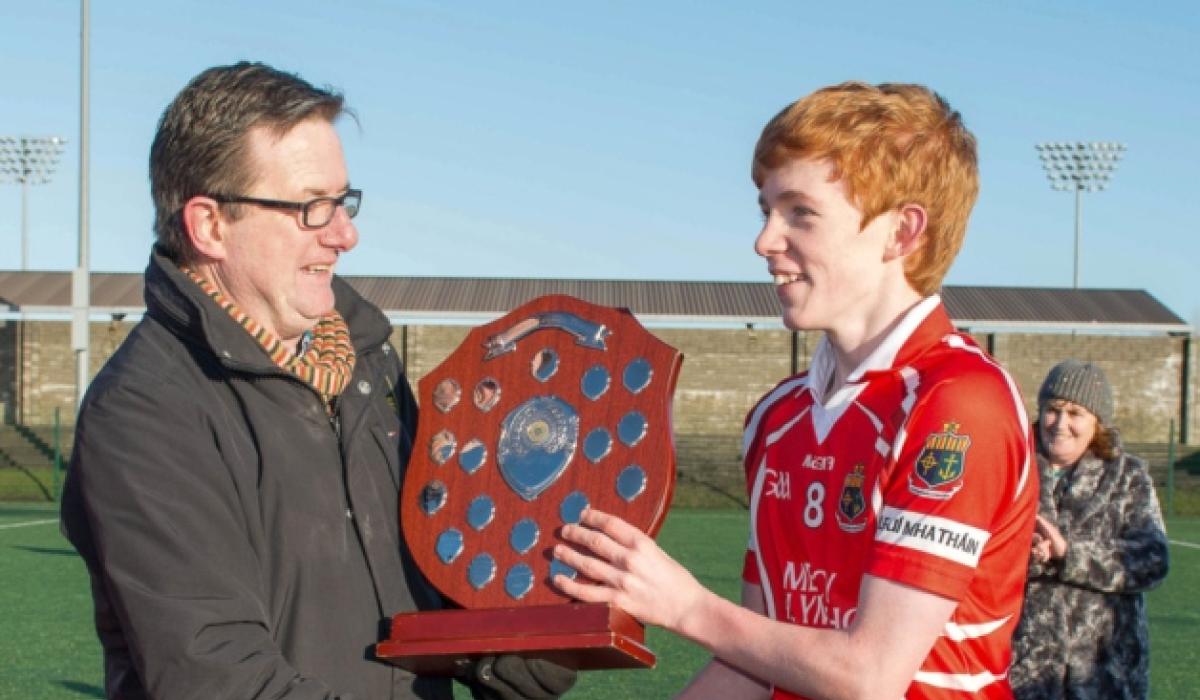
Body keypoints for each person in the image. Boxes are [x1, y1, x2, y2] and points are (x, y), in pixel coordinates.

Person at [60, 62, 574, 700]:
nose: (345, 234)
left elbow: (442, 580)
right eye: (311, 207)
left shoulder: (367, 364)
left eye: (343, 201)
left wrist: (551, 626)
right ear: (210, 225)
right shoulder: (144, 410)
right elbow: (218, 675)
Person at [550, 81, 1039, 699]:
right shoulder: (777, 418)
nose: (764, 241)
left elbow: (869, 677)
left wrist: (685, 606)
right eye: (765, 211)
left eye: (800, 212)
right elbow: (756, 661)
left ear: (901, 232)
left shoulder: (959, 402)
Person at [1009, 360, 1169, 699]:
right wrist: (1022, 555)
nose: (1060, 424)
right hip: (1023, 671)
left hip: (1105, 674)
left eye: (1075, 413)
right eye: (1052, 410)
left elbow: (1152, 560)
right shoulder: (1014, 468)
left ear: (1097, 423)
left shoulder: (1128, 477)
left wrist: (1069, 554)